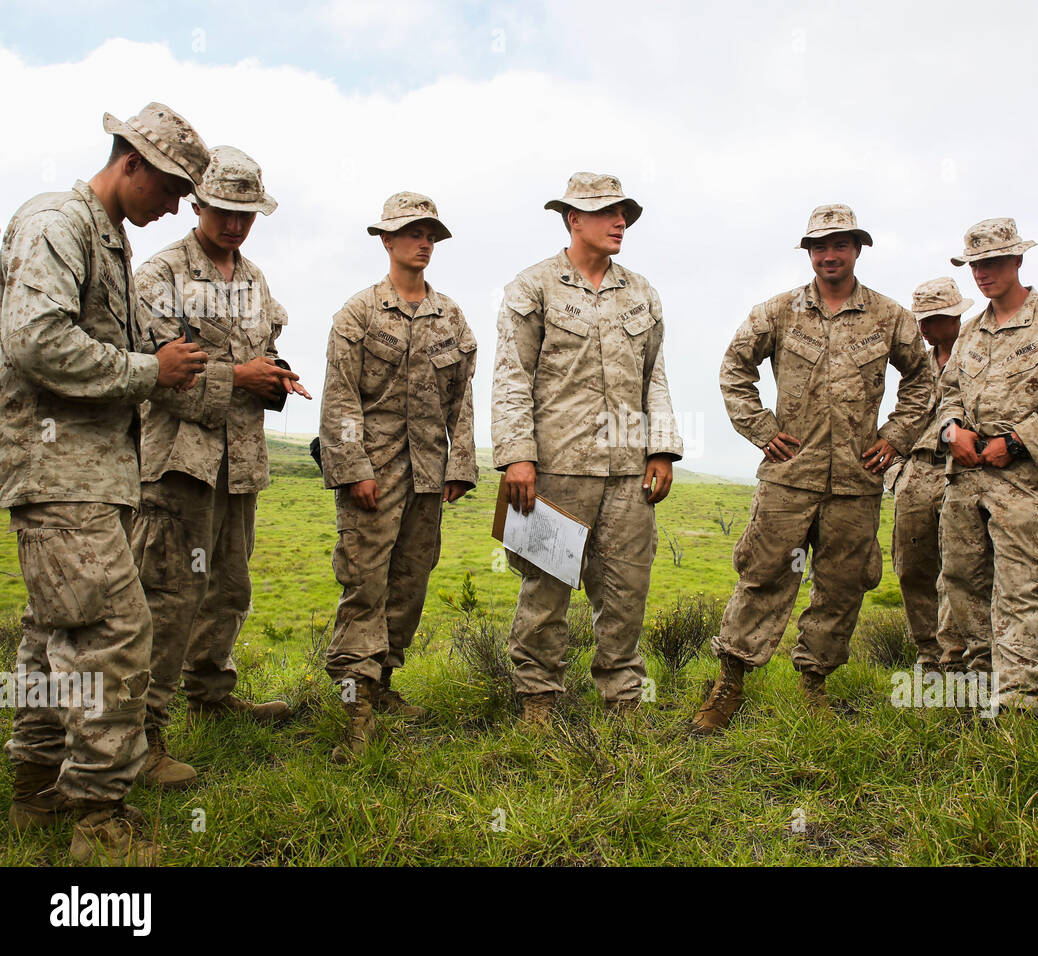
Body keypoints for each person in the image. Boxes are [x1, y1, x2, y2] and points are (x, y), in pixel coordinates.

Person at [1, 103, 209, 863]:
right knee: (117, 635)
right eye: (172, 185)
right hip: (61, 476)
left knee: (53, 635)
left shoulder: (108, 240)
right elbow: (34, 339)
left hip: (88, 476)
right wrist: (147, 371)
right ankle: (99, 820)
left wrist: (161, 366)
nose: (178, 205)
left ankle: (34, 789)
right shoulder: (60, 222)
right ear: (131, 163)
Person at [691, 204, 933, 735]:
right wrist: (762, 429)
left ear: (857, 249)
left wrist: (894, 438)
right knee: (763, 575)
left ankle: (814, 685)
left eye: (840, 245)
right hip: (788, 477)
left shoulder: (890, 317)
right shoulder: (777, 312)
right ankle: (728, 687)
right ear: (808, 252)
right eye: (819, 246)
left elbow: (923, 380)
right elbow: (734, 370)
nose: (830, 254)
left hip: (856, 482)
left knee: (842, 586)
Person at [132, 146, 309, 789]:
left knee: (229, 586)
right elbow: (156, 375)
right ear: (199, 203)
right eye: (224, 212)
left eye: (247, 214)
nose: (235, 225)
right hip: (179, 460)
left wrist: (274, 380)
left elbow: (263, 353)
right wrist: (241, 376)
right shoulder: (159, 274)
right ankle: (140, 737)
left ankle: (210, 691)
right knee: (167, 596)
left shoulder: (256, 280)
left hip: (241, 461)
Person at [493, 172, 683, 726]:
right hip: (557, 469)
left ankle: (624, 700)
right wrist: (517, 457)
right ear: (573, 219)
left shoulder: (642, 292)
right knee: (546, 590)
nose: (619, 221)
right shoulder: (532, 287)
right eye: (605, 212)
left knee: (625, 590)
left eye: (623, 212)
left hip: (628, 473)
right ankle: (538, 701)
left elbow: (656, 377)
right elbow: (511, 376)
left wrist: (661, 450)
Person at [319, 192, 477, 761]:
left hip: (428, 477)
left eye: (430, 232)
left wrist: (460, 464)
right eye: (412, 232)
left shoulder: (452, 317)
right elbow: (340, 401)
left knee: (409, 584)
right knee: (364, 586)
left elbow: (462, 401)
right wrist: (353, 468)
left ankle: (381, 685)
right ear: (386, 241)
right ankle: (352, 706)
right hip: (374, 476)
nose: (424, 241)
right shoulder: (358, 314)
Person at [936, 218, 1038, 715]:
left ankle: (1019, 702)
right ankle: (979, 683)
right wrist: (951, 430)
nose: (982, 274)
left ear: (1018, 260)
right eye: (975, 265)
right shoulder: (968, 333)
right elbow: (947, 393)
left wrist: (1019, 443)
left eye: (993, 262)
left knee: (1019, 587)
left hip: (1019, 481)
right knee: (962, 581)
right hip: (963, 481)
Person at [891, 277, 990, 674]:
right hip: (915, 473)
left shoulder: (981, 352)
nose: (925, 328)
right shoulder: (917, 366)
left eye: (933, 319)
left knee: (961, 571)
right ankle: (928, 657)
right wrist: (897, 472)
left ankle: (964, 659)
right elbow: (903, 416)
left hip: (961, 471)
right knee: (912, 568)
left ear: (956, 316)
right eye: (921, 321)